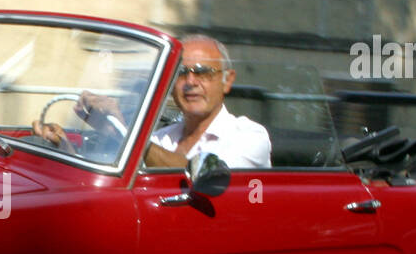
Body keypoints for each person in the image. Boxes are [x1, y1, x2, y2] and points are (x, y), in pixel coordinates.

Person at [31, 35, 271, 169]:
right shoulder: (161, 138)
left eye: (203, 72)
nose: (190, 82)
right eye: (180, 73)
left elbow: (200, 176)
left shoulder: (249, 137)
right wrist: (63, 145)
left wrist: (124, 133)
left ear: (227, 81)